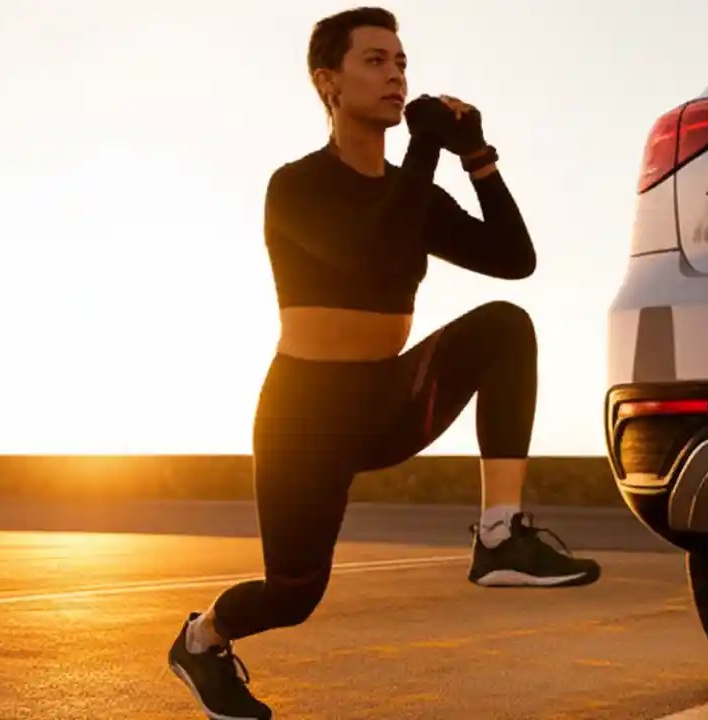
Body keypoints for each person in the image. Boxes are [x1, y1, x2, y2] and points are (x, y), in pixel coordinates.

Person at [166, 7, 602, 719]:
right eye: (374, 60)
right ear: (327, 83)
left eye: (401, 61)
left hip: (386, 400)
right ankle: (199, 642)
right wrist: (428, 148)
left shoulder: (417, 192)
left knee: (505, 327)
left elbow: (514, 260)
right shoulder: (295, 186)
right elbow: (374, 253)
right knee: (292, 595)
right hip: (303, 417)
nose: (396, 74)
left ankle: (499, 536)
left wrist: (478, 156)